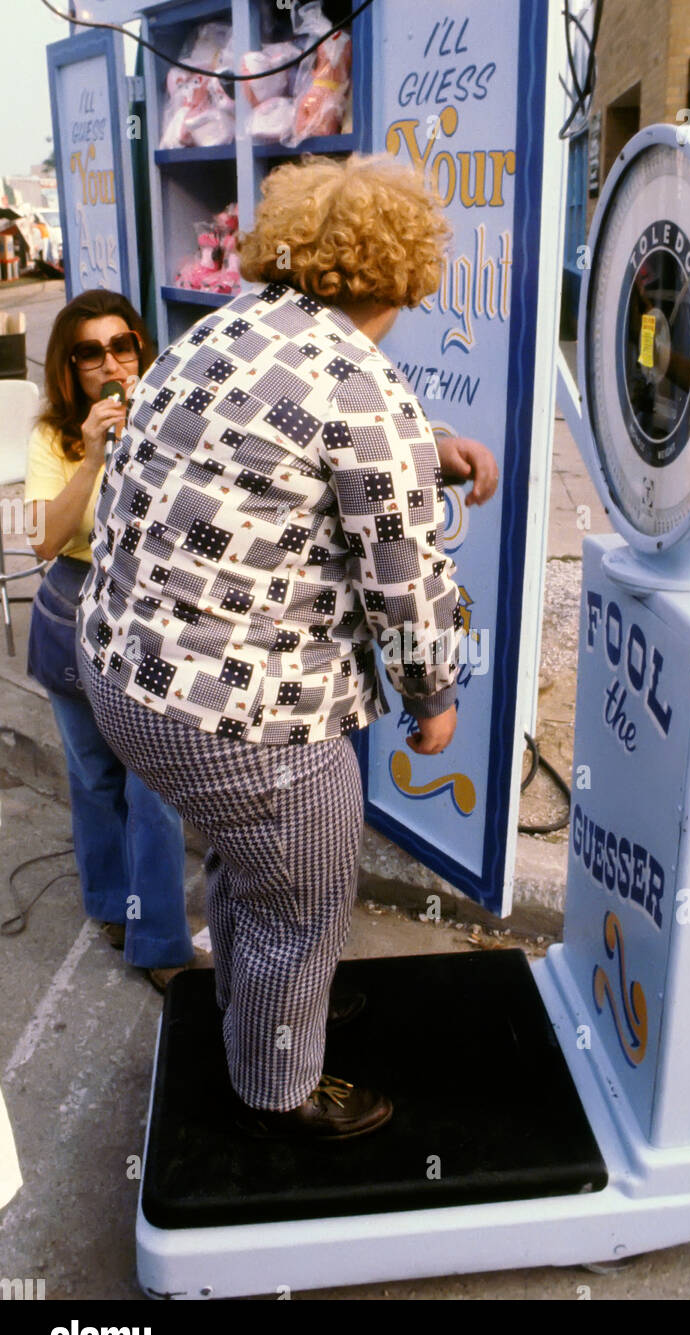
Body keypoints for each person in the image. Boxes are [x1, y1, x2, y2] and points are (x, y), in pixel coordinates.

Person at [75, 153, 498, 1141]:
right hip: (231, 709)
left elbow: (279, 432)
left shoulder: (222, 329)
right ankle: (278, 1086)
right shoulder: (364, 386)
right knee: (305, 886)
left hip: (124, 670)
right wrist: (435, 698)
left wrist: (420, 443)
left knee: (253, 853)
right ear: (403, 277)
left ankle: (258, 994)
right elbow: (406, 578)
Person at [23, 289, 209, 992]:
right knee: (93, 777)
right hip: (74, 605)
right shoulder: (54, 437)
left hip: (150, 614)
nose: (110, 363)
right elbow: (42, 536)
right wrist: (93, 453)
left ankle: (159, 941)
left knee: (153, 784)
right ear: (69, 367)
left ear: (142, 350)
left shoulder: (173, 421)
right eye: (89, 352)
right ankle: (109, 905)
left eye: (122, 346)